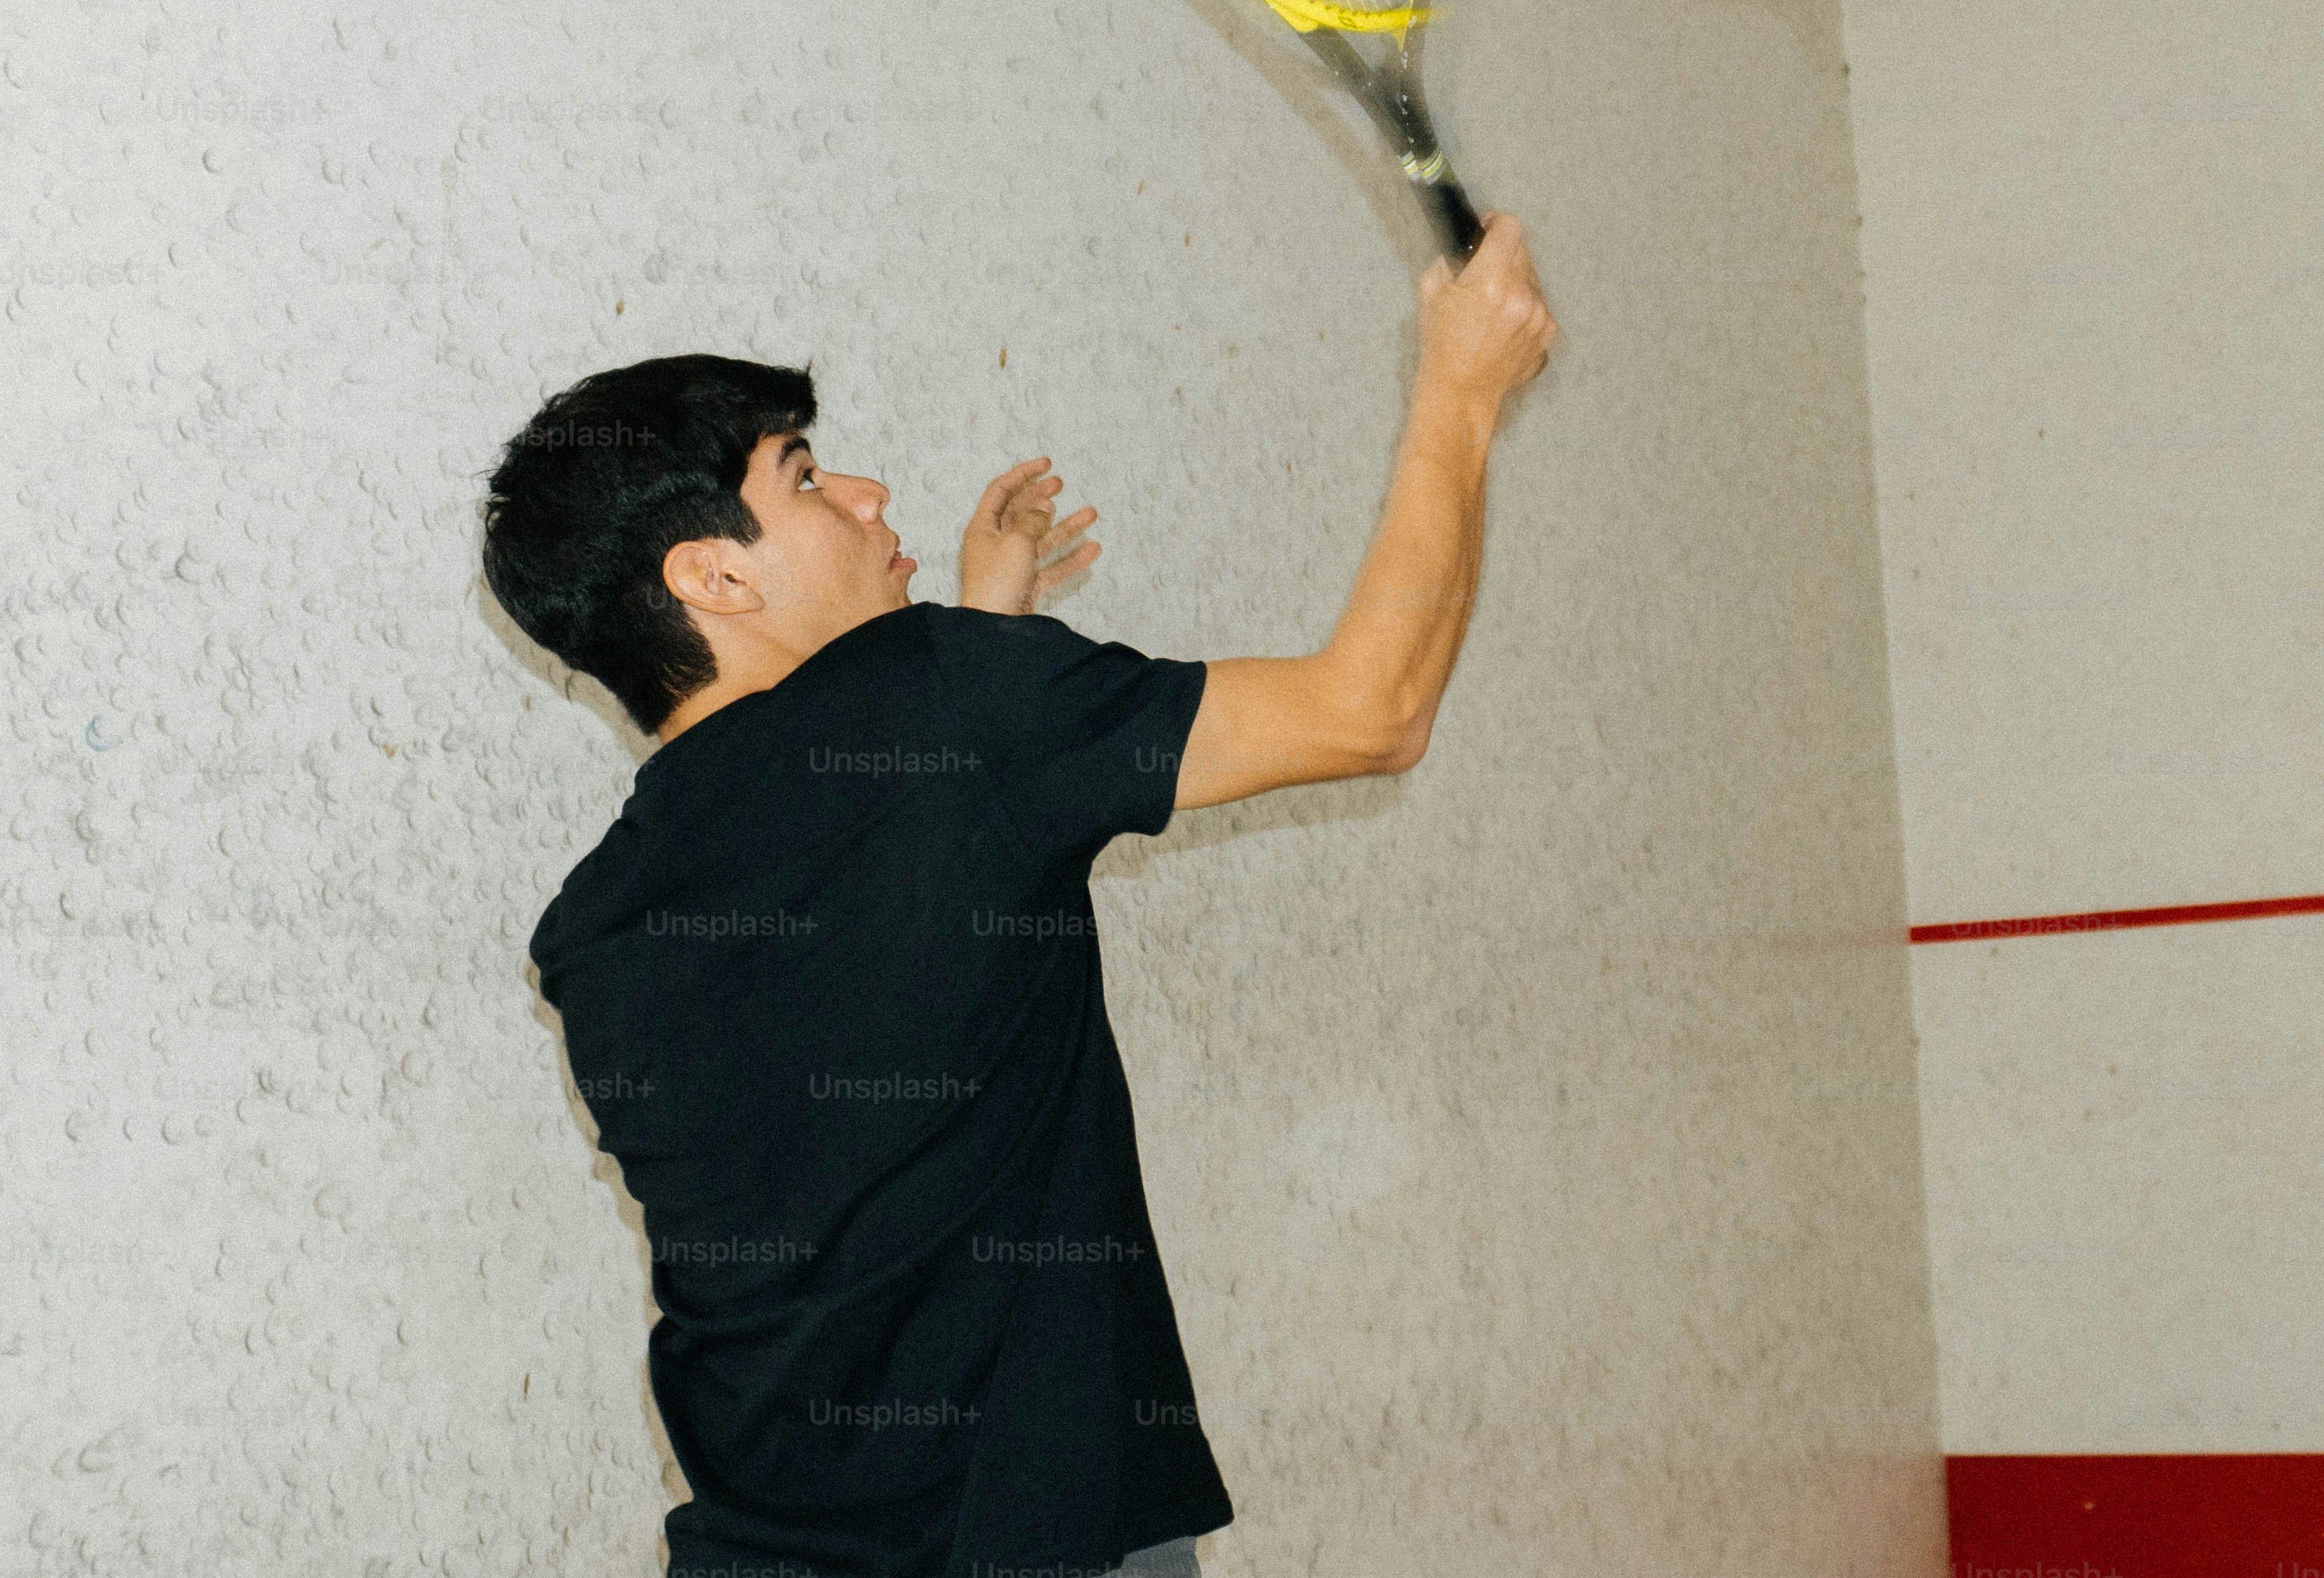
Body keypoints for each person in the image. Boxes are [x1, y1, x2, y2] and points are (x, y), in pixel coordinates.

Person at [487, 219, 1558, 1578]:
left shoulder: (599, 927)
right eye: (807, 476)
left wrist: (991, 655)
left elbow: (895, 980)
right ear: (713, 576)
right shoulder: (951, 713)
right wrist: (1460, 393)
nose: (871, 494)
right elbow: (1374, 709)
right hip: (1033, 1538)